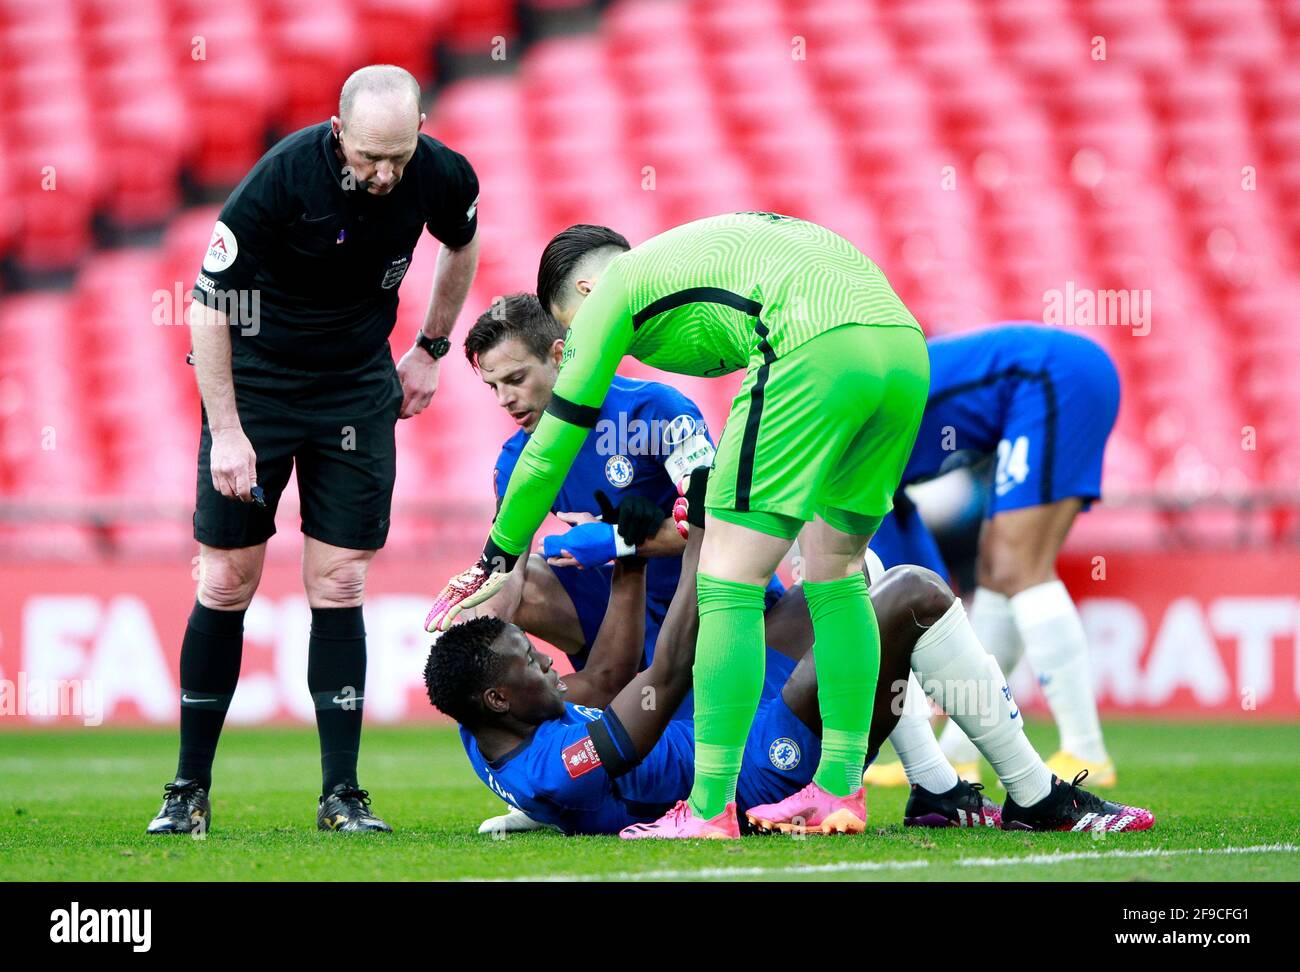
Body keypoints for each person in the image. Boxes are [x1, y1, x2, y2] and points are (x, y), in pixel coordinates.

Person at [428, 212, 930, 838]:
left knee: (724, 581)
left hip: (808, 350)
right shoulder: (689, 261)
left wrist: (494, 557)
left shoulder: (616, 296)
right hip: (902, 348)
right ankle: (838, 790)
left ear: (586, 295)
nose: (585, 352)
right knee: (839, 577)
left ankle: (710, 807)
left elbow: (549, 452)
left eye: (570, 339)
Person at [147, 65, 480, 835]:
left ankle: (342, 797)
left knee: (340, 582)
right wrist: (228, 431)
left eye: (399, 154)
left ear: (421, 130)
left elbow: (461, 242)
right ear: (338, 133)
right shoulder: (280, 179)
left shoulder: (439, 174)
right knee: (227, 582)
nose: (385, 173)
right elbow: (207, 308)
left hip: (355, 386)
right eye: (369, 157)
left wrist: (431, 346)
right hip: (258, 386)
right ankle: (187, 790)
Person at [427, 501, 1154, 837]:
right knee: (914, 593)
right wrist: (702, 547)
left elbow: (606, 684)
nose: (548, 664)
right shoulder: (551, 763)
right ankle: (1036, 796)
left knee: (847, 573)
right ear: (497, 696)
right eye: (531, 662)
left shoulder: (485, 731)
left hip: (724, 713)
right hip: (753, 770)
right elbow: (667, 671)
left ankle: (935, 789)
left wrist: (628, 561)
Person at [864, 324, 1121, 792]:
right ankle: (958, 755)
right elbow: (917, 579)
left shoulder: (859, 431)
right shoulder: (866, 433)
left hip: (1050, 375)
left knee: (1016, 566)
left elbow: (892, 575)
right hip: (1056, 376)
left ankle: (1086, 748)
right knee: (996, 572)